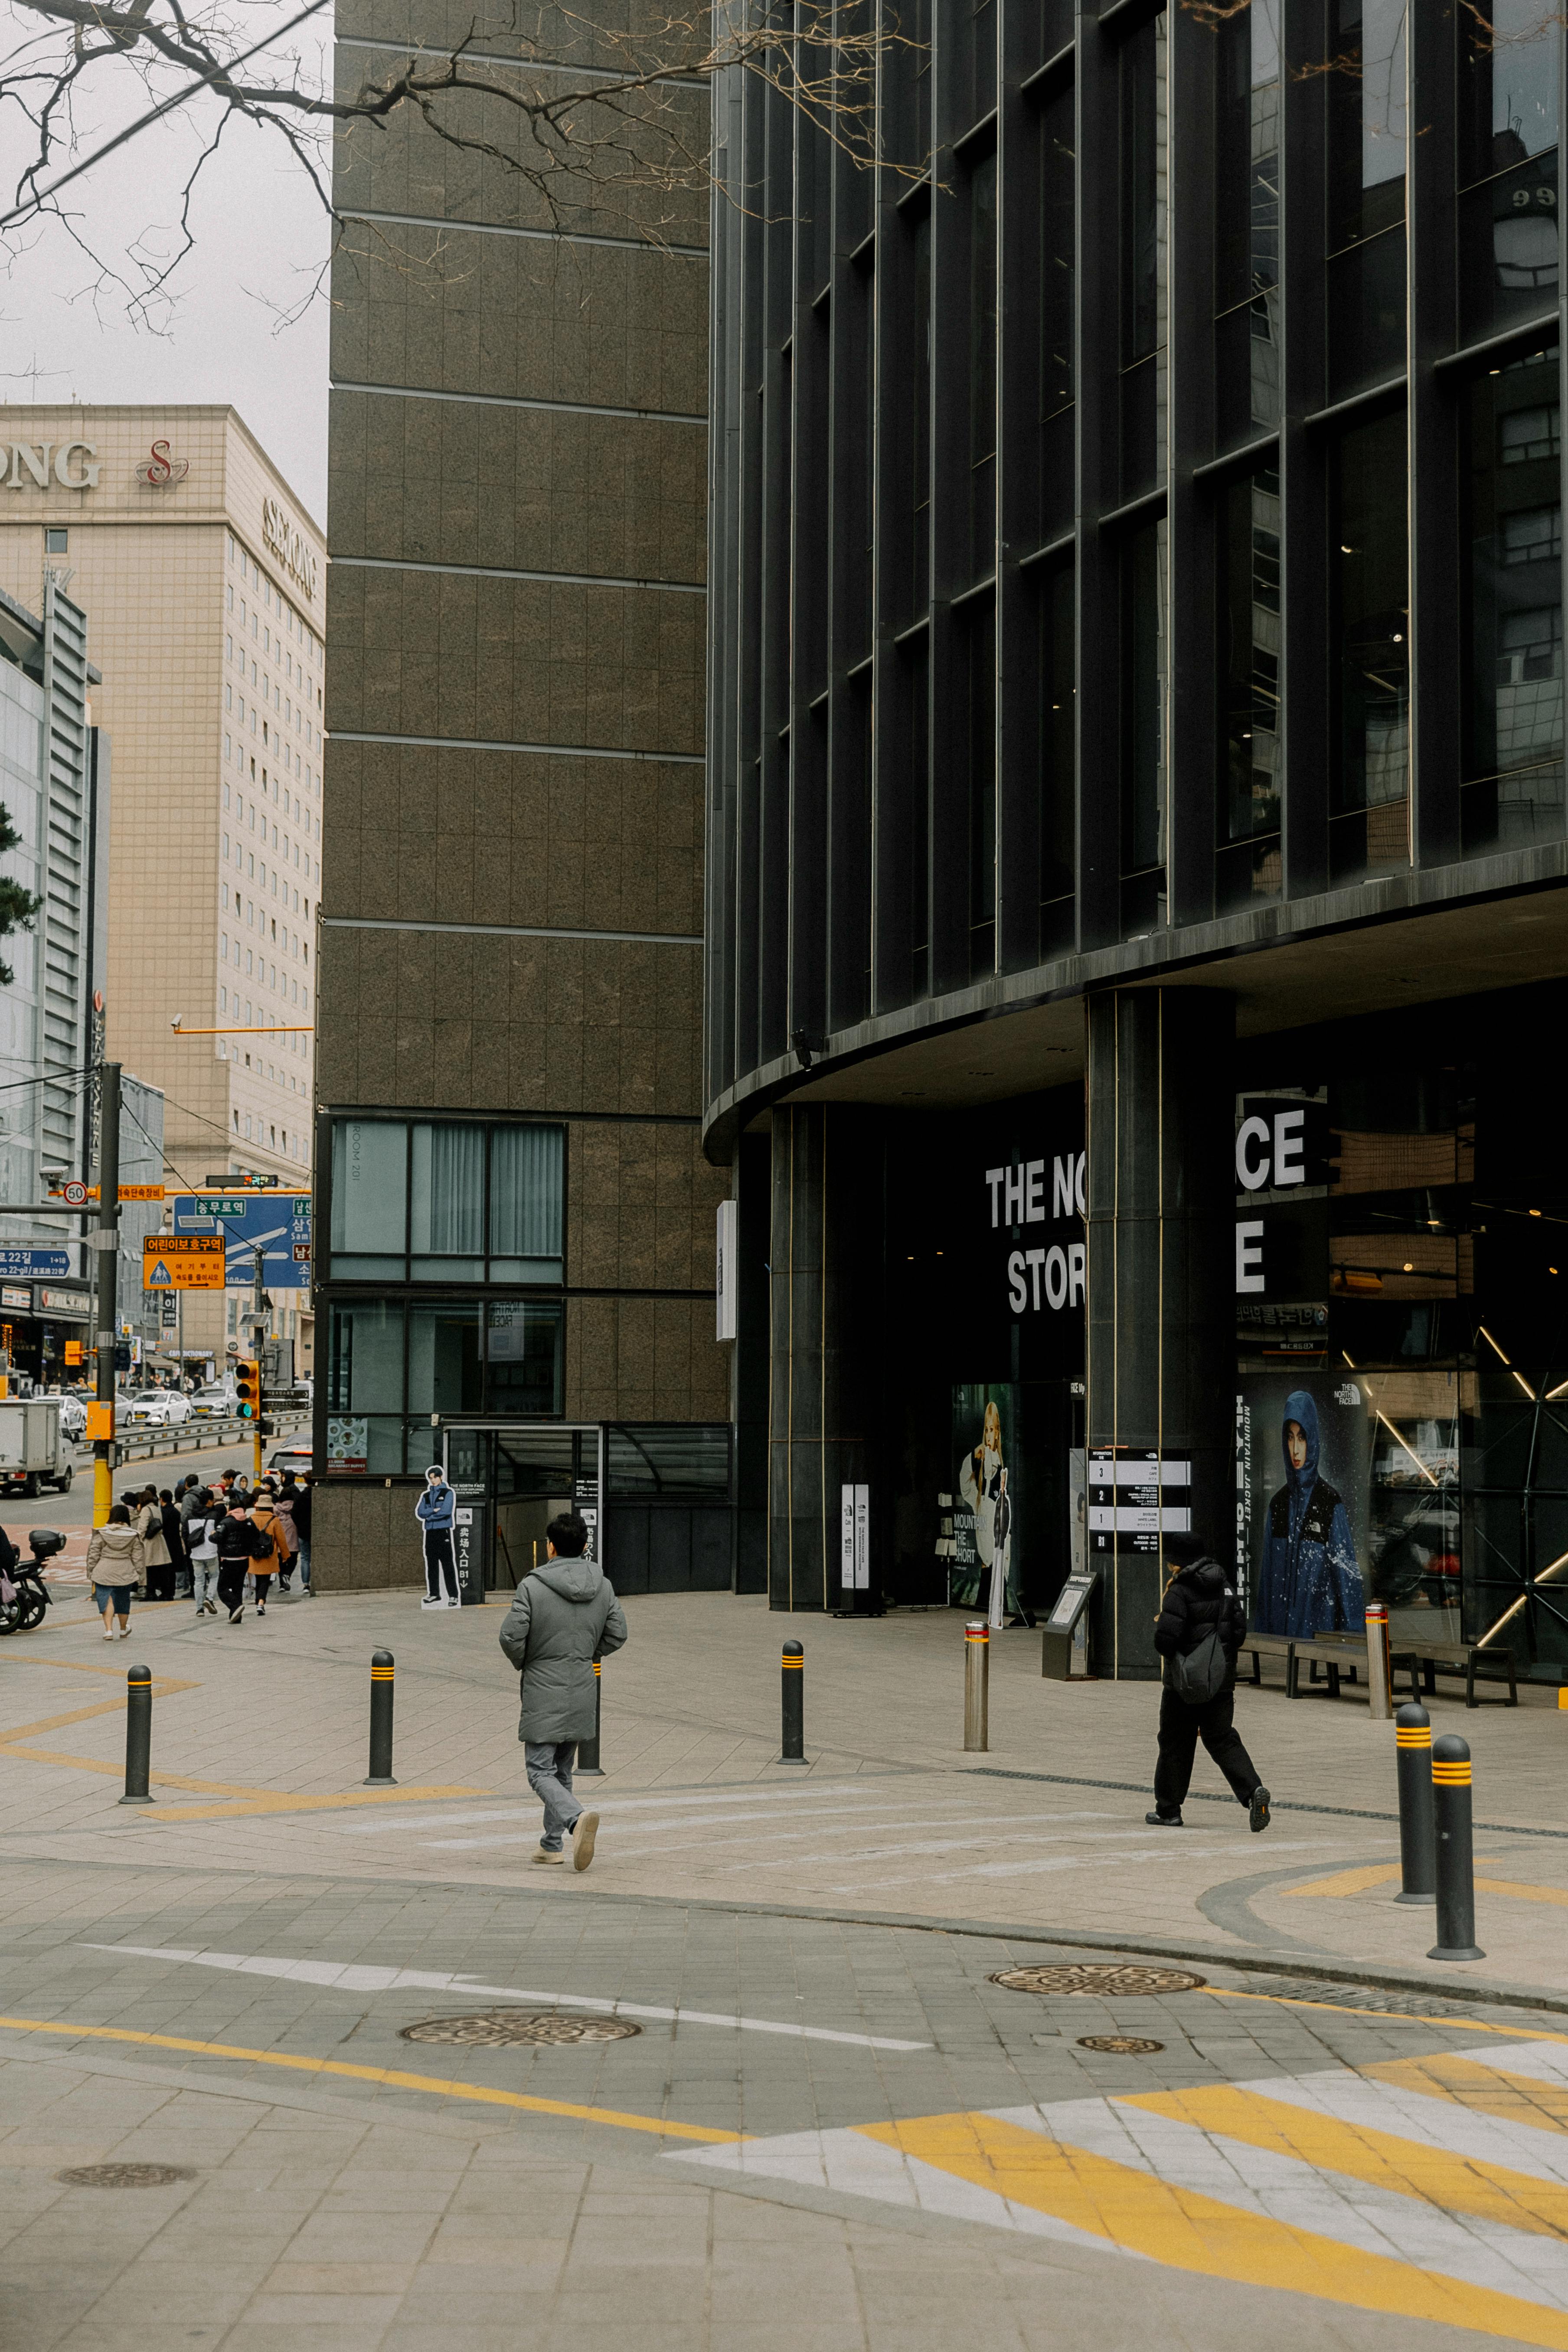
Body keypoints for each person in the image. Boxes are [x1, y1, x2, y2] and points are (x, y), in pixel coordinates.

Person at [498, 1511, 626, 1871]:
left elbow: (510, 1636)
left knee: (539, 1771)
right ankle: (551, 1845)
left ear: (550, 1547)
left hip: (543, 1686)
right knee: (562, 1769)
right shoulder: (603, 1584)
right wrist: (586, 1653)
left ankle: (575, 1820)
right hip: (582, 1686)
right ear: (585, 1546)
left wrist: (530, 1660)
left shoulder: (532, 1586)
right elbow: (618, 1632)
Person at [1147, 1532, 1271, 1833]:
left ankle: (1169, 1810)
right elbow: (1239, 1634)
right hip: (1221, 1681)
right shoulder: (1224, 1585)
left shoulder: (1178, 1591)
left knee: (1176, 1742)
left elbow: (1165, 1641)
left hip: (1185, 1684)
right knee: (1222, 1738)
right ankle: (1253, 1791)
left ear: (1176, 1562)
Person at [1254, 1388, 1362, 1637]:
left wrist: (1353, 1640)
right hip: (1279, 1647)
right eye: (1290, 1438)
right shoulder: (1278, 1505)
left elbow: (1347, 1579)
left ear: (1312, 1440)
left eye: (1302, 1438)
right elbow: (1267, 1583)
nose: (1295, 1450)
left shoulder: (1329, 1503)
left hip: (1319, 1647)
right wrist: (1264, 1638)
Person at [88, 1505, 145, 1640]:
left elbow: (93, 1554)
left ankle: (108, 1631)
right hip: (125, 1572)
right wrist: (139, 1574)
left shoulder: (102, 1533)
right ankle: (123, 1629)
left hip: (104, 1571)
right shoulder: (133, 1535)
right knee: (123, 1601)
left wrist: (91, 1571)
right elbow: (138, 1558)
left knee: (107, 1601)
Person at [416, 1465, 459, 1608]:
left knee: (447, 1564)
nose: (433, 1480)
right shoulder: (426, 1495)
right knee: (431, 1564)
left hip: (443, 1532)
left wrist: (430, 1517)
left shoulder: (448, 1493)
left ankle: (453, 1595)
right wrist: (433, 1511)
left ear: (441, 1477)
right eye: (431, 1478)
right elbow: (420, 1512)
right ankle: (434, 1593)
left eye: (435, 1477)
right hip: (430, 1533)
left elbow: (446, 1511)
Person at [215, 1499, 253, 1624]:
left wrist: (212, 1535)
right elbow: (256, 1536)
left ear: (230, 1508)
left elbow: (218, 1537)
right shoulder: (248, 1522)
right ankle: (236, 1617)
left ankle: (236, 1607)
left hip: (229, 1560)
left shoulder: (226, 1522)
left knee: (222, 1588)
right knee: (237, 1588)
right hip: (244, 1560)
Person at [248, 1485, 283, 1616]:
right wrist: (285, 1555)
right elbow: (281, 1539)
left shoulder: (251, 1519)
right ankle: (261, 1603)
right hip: (269, 1553)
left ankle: (259, 1602)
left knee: (259, 1579)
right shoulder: (275, 1520)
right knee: (265, 1580)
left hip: (255, 1554)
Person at [138, 1485, 173, 1603]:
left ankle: (151, 1593)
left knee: (149, 1569)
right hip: (160, 1540)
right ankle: (165, 1593)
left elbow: (142, 1528)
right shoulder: (157, 1508)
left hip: (150, 1542)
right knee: (161, 1569)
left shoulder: (145, 1510)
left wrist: (139, 1540)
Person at [188, 1493, 221, 1616]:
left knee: (199, 1581)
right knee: (214, 1576)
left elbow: (186, 1534)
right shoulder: (214, 1515)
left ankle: (199, 1609)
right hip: (211, 1551)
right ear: (209, 1501)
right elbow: (218, 1533)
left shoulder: (190, 1516)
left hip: (196, 1552)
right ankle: (210, 1598)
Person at [160, 1488, 190, 1601]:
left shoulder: (162, 1513)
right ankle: (171, 1592)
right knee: (172, 1569)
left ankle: (166, 1592)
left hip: (165, 1542)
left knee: (165, 1569)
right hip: (176, 1542)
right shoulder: (176, 1512)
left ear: (161, 1499)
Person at [274, 1480, 300, 1591]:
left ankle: (282, 1585)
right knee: (293, 1560)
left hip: (281, 1538)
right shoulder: (296, 1507)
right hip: (293, 1536)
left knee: (281, 1561)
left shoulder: (276, 1508)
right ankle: (287, 1575)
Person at [290, 1472, 313, 1595]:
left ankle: (306, 1584)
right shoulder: (319, 1494)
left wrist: (300, 1525)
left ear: (305, 1481)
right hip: (316, 1530)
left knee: (305, 1557)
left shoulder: (301, 1496)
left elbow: (294, 1513)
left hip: (303, 1531)